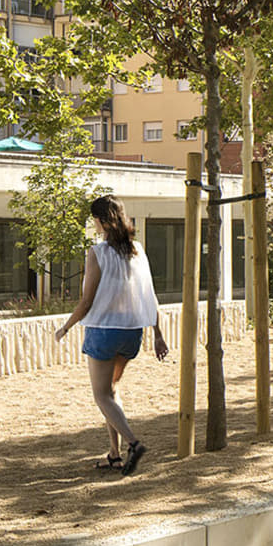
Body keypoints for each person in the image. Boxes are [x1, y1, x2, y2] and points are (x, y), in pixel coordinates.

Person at [55, 194, 161, 475]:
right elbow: (150, 295)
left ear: (101, 221)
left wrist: (65, 328)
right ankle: (114, 455)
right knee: (112, 392)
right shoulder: (137, 250)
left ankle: (134, 443)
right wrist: (158, 333)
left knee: (101, 396)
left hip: (103, 332)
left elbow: (86, 302)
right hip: (131, 333)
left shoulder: (98, 253)